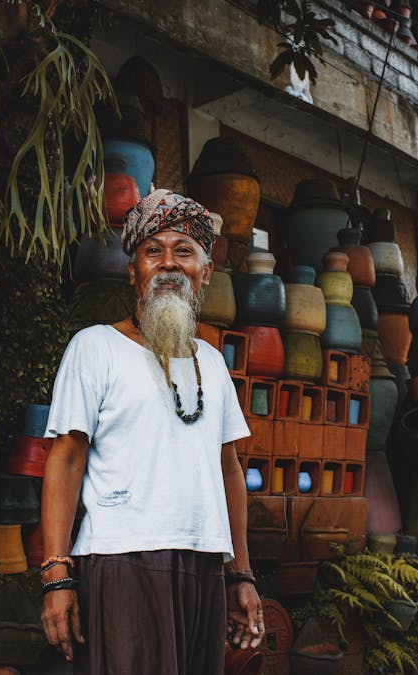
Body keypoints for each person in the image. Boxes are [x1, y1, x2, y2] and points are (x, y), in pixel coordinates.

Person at [39, 189, 265, 675]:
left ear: (204, 272)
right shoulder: (95, 346)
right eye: (152, 250)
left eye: (183, 250)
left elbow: (228, 472)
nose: (167, 263)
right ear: (133, 271)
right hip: (122, 560)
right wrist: (57, 573)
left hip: (203, 564)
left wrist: (239, 573)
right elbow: (66, 459)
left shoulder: (212, 362)